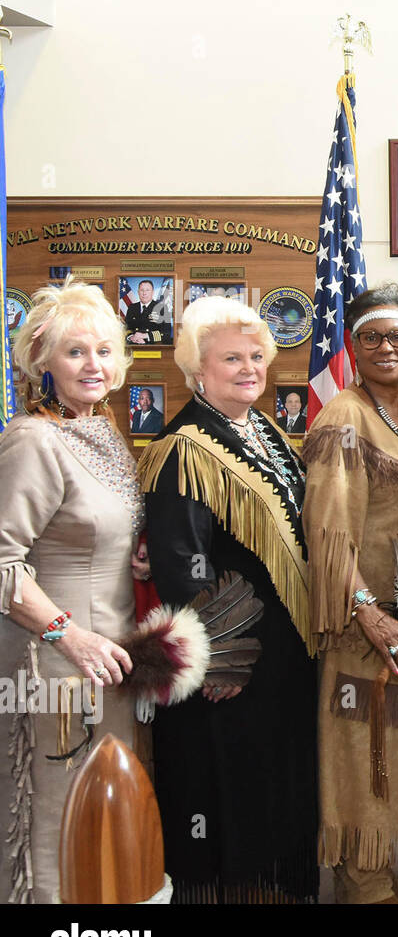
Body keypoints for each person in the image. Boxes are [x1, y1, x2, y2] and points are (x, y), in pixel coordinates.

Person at [137, 296, 318, 903]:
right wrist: (226, 657)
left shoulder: (263, 428)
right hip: (232, 667)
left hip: (283, 658)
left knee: (279, 787)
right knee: (227, 796)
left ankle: (279, 890)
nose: (249, 368)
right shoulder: (182, 447)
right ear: (198, 372)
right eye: (231, 359)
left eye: (257, 357)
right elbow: (182, 566)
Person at [303, 285, 398, 905]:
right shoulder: (345, 415)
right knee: (361, 750)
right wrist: (365, 609)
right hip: (366, 623)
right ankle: (360, 882)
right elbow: (328, 528)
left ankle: (383, 867)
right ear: (353, 347)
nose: (388, 347)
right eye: (372, 337)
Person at [0, 280, 148, 904]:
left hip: (110, 659)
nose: (95, 365)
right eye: (76, 352)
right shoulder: (32, 439)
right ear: (43, 364)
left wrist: (133, 556)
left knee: (103, 815)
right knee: (57, 820)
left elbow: (93, 533)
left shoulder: (106, 431)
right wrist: (70, 636)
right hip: (56, 665)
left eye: (105, 351)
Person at [124, 279, 172, 345]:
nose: (144, 293)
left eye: (147, 290)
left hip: (153, 347)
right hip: (133, 345)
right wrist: (131, 337)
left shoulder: (163, 308)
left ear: (152, 292)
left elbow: (167, 334)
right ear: (138, 292)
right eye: (142, 290)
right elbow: (126, 329)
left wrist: (145, 336)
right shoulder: (132, 307)